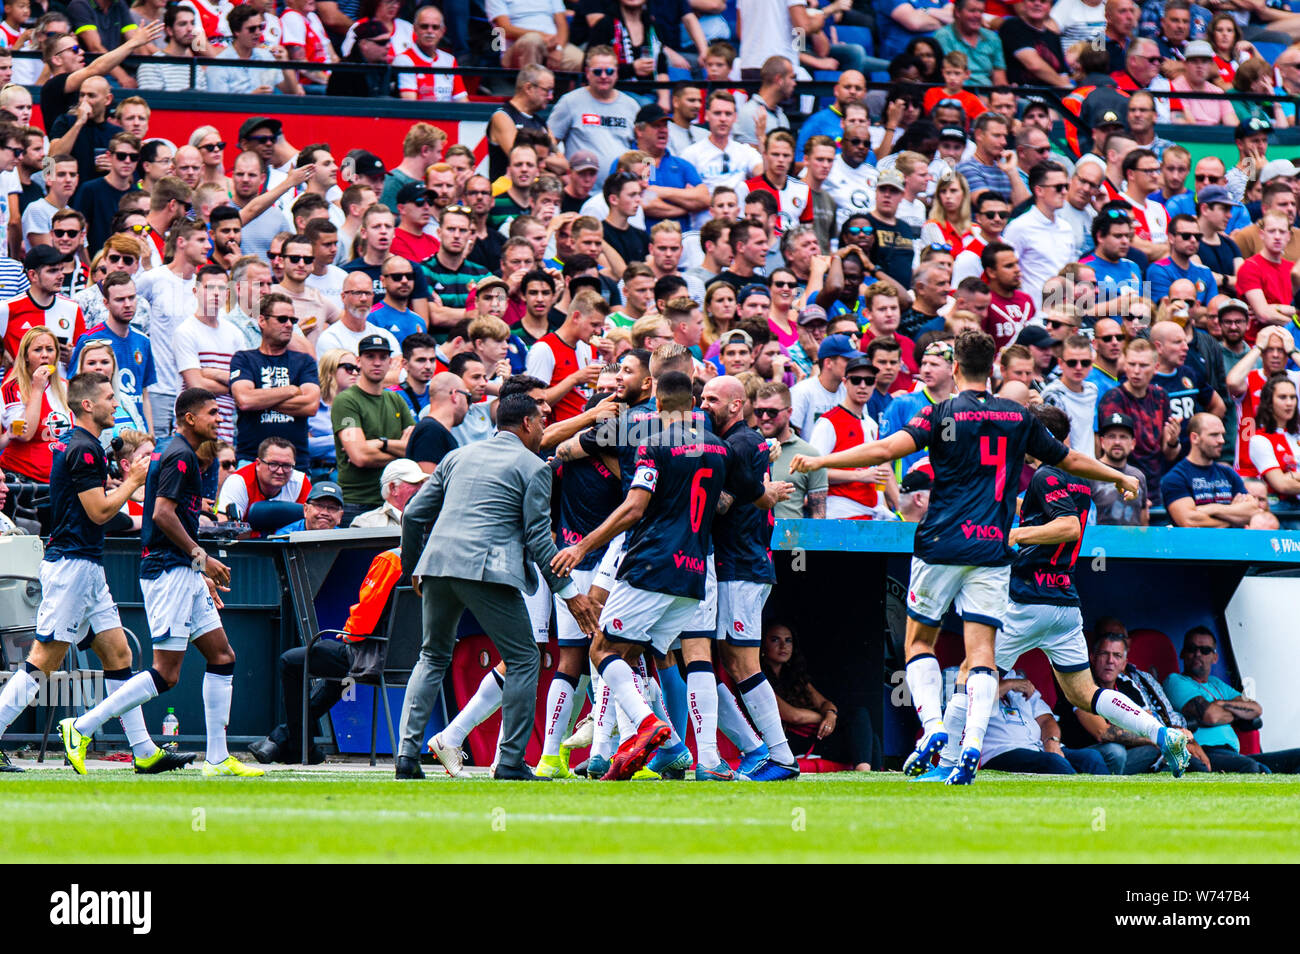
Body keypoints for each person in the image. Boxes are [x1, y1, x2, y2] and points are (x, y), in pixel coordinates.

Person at [790, 329, 1139, 784]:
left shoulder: (941, 414)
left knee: (919, 643)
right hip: (992, 548)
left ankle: (934, 728)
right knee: (982, 655)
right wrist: (1117, 476)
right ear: (993, 370)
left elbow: (884, 449)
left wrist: (819, 463)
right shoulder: (1018, 417)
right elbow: (1071, 459)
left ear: (955, 368)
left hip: (941, 543)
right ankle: (971, 745)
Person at [930, 403, 1187, 778]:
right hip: (1064, 601)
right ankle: (1161, 734)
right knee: (1085, 694)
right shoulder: (1073, 478)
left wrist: (1015, 533)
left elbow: (1067, 526)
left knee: (972, 672)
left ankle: (950, 764)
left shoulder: (1045, 476)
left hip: (1028, 598)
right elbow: (1044, 508)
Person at [60, 388, 265, 778]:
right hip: (168, 573)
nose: (218, 420)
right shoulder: (179, 455)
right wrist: (201, 558)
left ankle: (217, 758)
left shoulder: (184, 455)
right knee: (166, 674)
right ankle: (81, 727)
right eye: (211, 414)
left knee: (223, 656)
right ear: (189, 418)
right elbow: (163, 515)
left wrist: (196, 569)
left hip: (182, 571)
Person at [398, 393, 599, 781]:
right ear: (527, 423)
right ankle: (509, 762)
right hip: (488, 569)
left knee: (432, 656)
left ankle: (406, 756)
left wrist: (413, 568)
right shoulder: (534, 466)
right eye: (542, 420)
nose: (545, 428)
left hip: (437, 566)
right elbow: (540, 540)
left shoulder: (457, 456)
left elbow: (412, 514)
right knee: (524, 658)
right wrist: (570, 594)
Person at [0, 372, 191, 774]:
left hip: (87, 566)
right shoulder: (82, 450)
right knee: (43, 659)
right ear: (87, 405)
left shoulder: (89, 448)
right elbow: (100, 511)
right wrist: (134, 481)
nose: (115, 402)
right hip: (71, 566)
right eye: (108, 397)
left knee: (119, 654)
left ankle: (143, 751)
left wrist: (133, 484)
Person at [1060, 626, 1208, 775]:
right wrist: (1157, 738)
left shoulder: (1127, 685)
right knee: (1116, 751)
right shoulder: (1080, 684)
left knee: (1184, 759)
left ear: (1124, 663)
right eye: (1104, 654)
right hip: (1086, 754)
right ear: (1092, 658)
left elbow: (1149, 720)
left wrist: (1172, 737)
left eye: (1117, 655)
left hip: (1129, 754)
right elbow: (1103, 732)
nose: (1110, 661)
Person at [1164, 627, 1300, 774]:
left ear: (1214, 657)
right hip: (1204, 753)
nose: (1198, 654)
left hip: (1233, 754)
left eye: (1205, 650)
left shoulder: (1216, 683)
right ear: (1183, 653)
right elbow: (1211, 716)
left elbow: (1255, 709)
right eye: (1192, 648)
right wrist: (1234, 712)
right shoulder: (1175, 681)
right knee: (1255, 768)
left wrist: (1220, 704)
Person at [761, 621, 874, 771]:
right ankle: (865, 776)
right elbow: (793, 715)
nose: (783, 646)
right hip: (787, 741)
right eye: (775, 640)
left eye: (788, 640)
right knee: (857, 719)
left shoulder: (794, 677)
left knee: (867, 731)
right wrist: (826, 718)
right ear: (763, 645)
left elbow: (825, 703)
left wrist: (830, 714)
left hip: (813, 737)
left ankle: (865, 777)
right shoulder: (759, 677)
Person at [229, 292, 322, 468]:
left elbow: (311, 405)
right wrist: (291, 390)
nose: (289, 325)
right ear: (262, 321)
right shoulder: (244, 359)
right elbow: (245, 400)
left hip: (295, 464)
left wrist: (260, 399)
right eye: (282, 319)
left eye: (292, 320)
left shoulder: (304, 361)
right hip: (251, 461)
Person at [331, 333, 415, 516]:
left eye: (383, 357)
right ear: (358, 361)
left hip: (395, 500)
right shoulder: (346, 401)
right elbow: (360, 456)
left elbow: (414, 450)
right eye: (370, 357)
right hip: (357, 501)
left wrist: (380, 443)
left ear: (390, 361)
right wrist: (399, 454)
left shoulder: (396, 399)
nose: (377, 362)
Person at [0, 326, 72, 485]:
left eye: (50, 349)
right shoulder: (11, 388)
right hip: (22, 481)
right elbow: (23, 434)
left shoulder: (65, 387)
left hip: (57, 480)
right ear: (26, 356)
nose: (45, 355)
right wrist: (37, 389)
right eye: (38, 350)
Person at [1163, 413, 1258, 527]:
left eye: (1222, 435)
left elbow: (1254, 511)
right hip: (1195, 544)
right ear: (1195, 438)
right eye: (1214, 435)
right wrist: (1232, 519)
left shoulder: (1228, 473)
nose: (1222, 440)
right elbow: (1190, 520)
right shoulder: (1176, 477)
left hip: (1231, 544)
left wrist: (1213, 509)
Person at [1004, 163, 1075, 310]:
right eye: (1058, 187)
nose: (1064, 192)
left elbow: (1070, 275)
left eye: (1066, 186)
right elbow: (1006, 273)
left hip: (1063, 315)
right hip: (1032, 315)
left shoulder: (1066, 228)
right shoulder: (1019, 227)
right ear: (1039, 190)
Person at [755, 381, 827, 519]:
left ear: (789, 412)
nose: (765, 417)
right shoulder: (744, 446)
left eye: (772, 412)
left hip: (790, 536)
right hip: (749, 536)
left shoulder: (809, 454)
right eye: (759, 412)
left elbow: (818, 514)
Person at [216, 435, 311, 522]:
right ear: (258, 464)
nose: (280, 471)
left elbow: (309, 524)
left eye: (287, 465)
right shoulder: (238, 482)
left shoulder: (300, 482)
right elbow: (226, 526)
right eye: (273, 464)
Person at [1040, 334, 1100, 453]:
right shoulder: (1052, 395)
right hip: (1068, 466)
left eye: (1085, 362)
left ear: (1092, 364)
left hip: (1091, 465)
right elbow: (1060, 445)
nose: (1078, 367)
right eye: (1072, 362)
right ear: (1061, 363)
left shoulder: (1092, 390)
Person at [1092, 412, 1150, 525]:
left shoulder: (1138, 476)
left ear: (1132, 443)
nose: (1117, 442)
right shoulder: (1091, 473)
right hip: (1098, 541)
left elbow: (1143, 522)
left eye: (1123, 437)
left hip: (1132, 540)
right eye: (1111, 436)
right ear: (1102, 442)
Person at [351, 457, 427, 528]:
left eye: (423, 482)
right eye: (415, 482)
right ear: (393, 488)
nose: (422, 487)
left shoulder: (433, 518)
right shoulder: (366, 523)